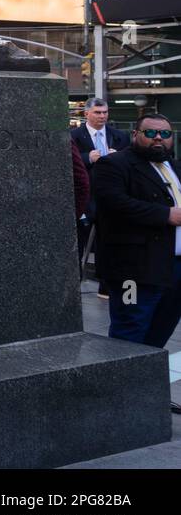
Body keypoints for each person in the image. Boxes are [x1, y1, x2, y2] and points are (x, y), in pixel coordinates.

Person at [91, 114, 181, 347]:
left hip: (175, 267)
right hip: (135, 270)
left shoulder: (173, 165)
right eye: (150, 133)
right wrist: (165, 214)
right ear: (135, 134)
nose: (158, 138)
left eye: (165, 134)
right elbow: (113, 203)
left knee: (161, 331)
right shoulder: (113, 164)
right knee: (129, 333)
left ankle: (147, 380)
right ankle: (123, 382)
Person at [72, 97, 131, 269]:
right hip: (85, 197)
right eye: (98, 112)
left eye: (105, 112)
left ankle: (105, 286)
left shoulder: (119, 136)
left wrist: (118, 158)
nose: (102, 116)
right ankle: (76, 279)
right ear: (87, 113)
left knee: (109, 243)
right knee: (79, 241)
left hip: (111, 195)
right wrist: (87, 158)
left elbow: (131, 162)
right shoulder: (72, 136)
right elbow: (64, 163)